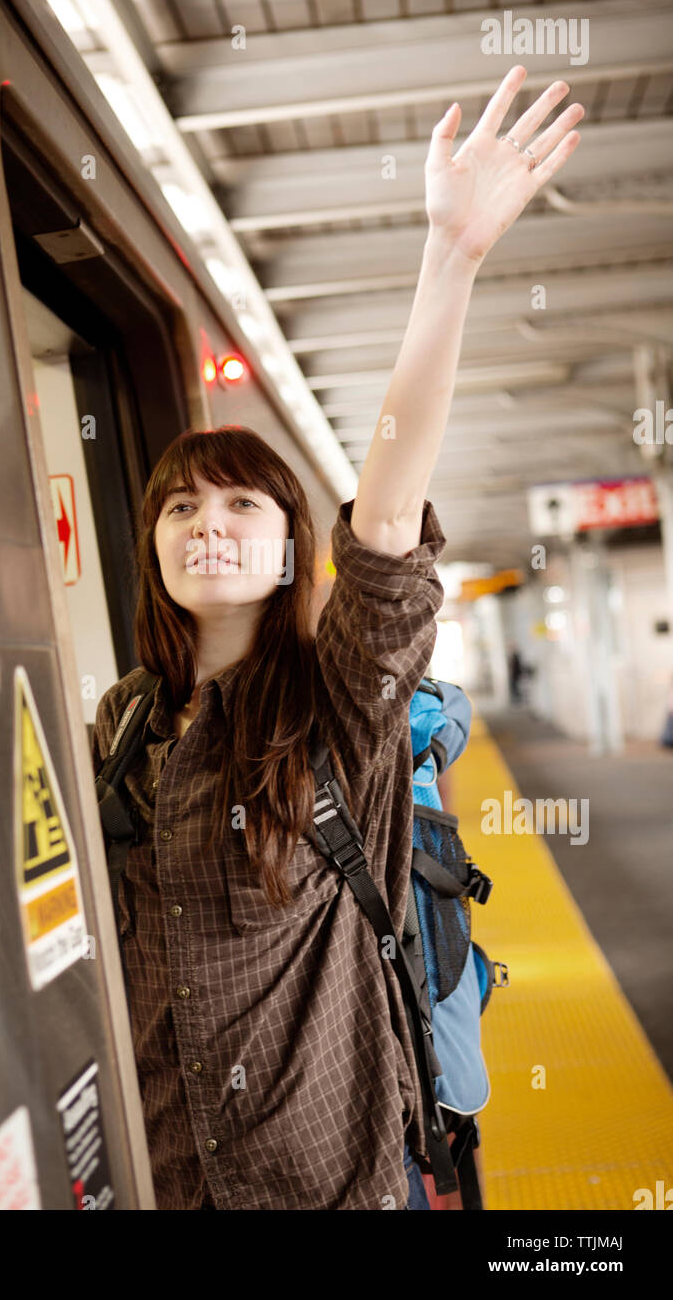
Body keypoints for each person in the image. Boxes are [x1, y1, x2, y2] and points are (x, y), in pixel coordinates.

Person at [92, 66, 583, 1210]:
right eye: (178, 507)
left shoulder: (340, 702)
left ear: (287, 551)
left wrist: (449, 259)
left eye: (241, 507)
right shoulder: (120, 730)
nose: (206, 526)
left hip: (336, 1185)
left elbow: (385, 525)